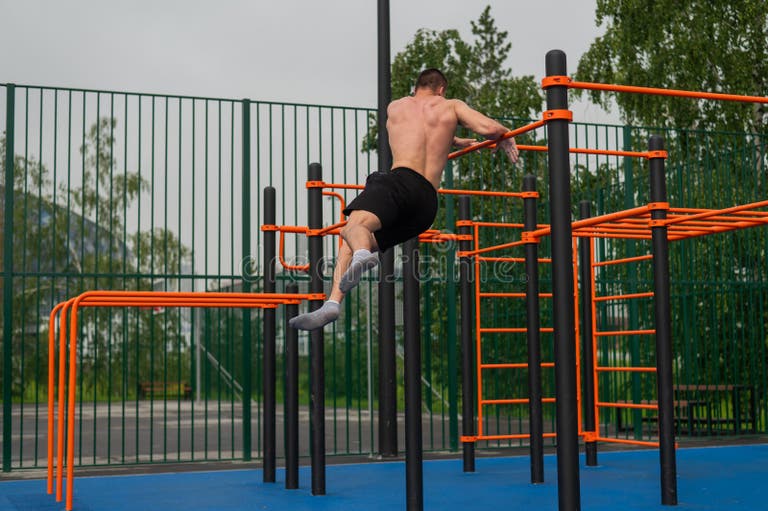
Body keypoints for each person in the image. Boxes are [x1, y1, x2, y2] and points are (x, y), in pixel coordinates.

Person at [289, 68, 519, 330]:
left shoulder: (397, 107)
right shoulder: (451, 107)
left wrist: (453, 139)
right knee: (350, 243)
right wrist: (504, 135)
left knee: (352, 228)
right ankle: (332, 304)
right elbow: (487, 128)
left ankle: (362, 258)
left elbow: (415, 127)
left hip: (400, 183)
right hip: (425, 207)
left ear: (416, 86)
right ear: (441, 89)